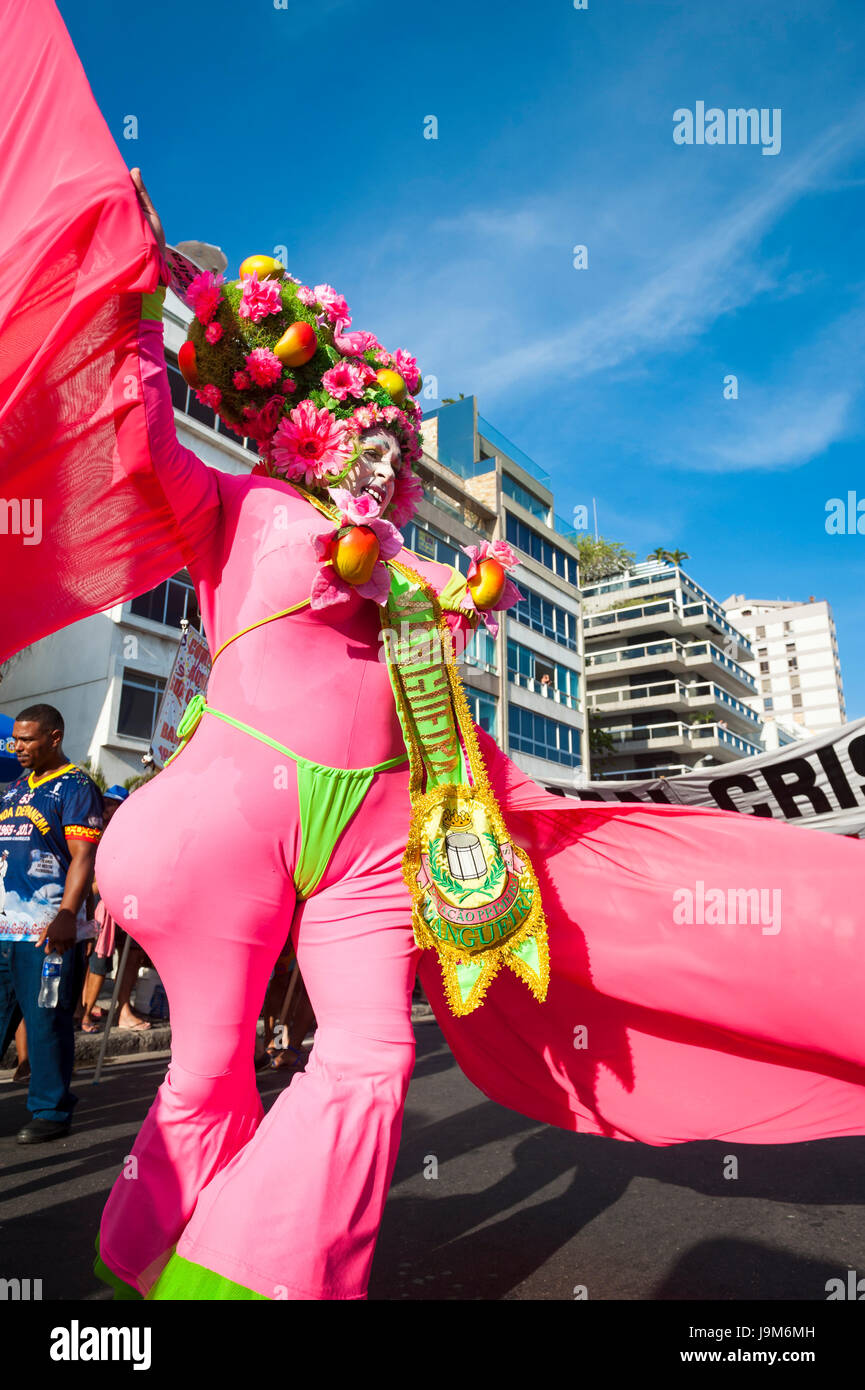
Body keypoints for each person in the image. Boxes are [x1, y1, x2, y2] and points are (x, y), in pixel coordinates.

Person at [2, 8, 865, 1301]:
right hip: (230, 813)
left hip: (380, 841)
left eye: (387, 439)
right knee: (205, 1066)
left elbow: (438, 720)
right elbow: (137, 435)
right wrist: (135, 294)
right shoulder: (236, 505)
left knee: (367, 1056)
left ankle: (226, 1278)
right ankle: (140, 1266)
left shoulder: (411, 577)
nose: (374, 452)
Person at [0, 705, 103, 1142]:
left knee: (46, 1022)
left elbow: (84, 856)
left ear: (54, 737)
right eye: (14, 739)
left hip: (47, 933)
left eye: (26, 739)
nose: (15, 746)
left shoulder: (77, 786)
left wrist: (66, 913)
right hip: (4, 929)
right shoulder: (15, 789)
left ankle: (51, 1111)